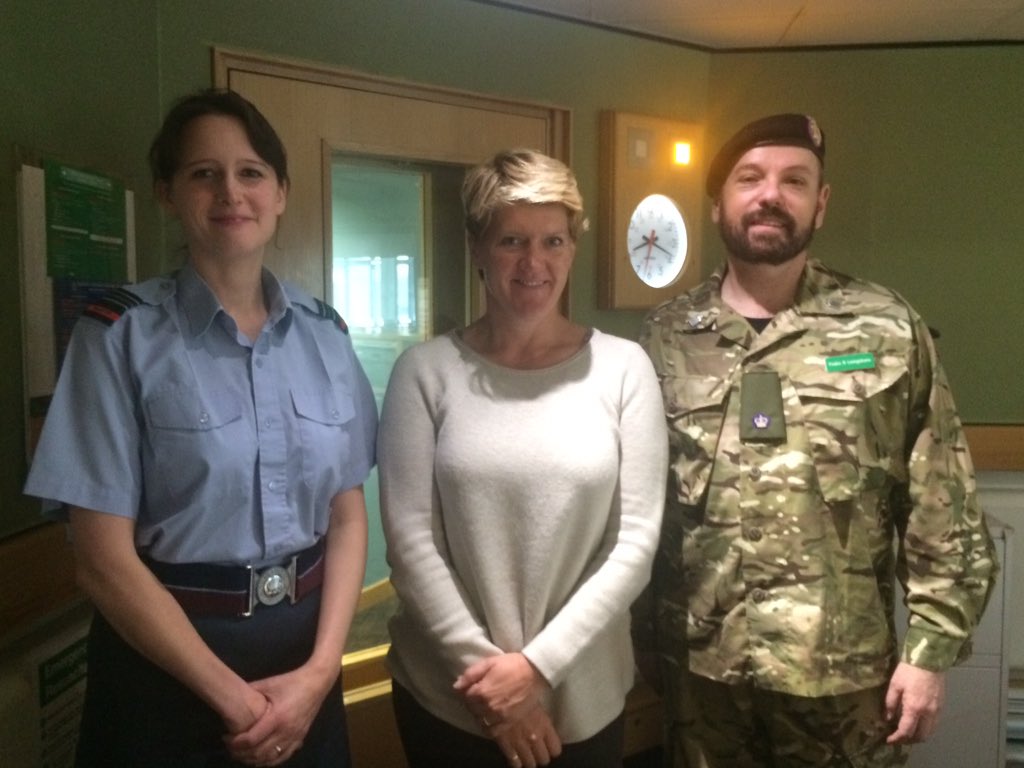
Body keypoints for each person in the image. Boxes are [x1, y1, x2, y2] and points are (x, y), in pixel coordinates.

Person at [23, 88, 377, 767]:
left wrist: (321, 671)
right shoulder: (117, 338)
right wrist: (236, 702)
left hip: (305, 661)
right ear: (168, 193)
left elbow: (348, 516)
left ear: (280, 192)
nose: (230, 192)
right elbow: (101, 561)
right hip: (167, 666)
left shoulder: (327, 336)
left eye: (251, 173)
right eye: (203, 173)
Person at [636, 113, 998, 767]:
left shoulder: (885, 329)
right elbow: (637, 511)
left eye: (794, 180)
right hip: (701, 677)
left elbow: (944, 503)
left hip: (843, 680)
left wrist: (931, 651)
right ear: (718, 201)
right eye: (750, 178)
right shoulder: (665, 338)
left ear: (820, 203)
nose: (770, 194)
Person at [377, 148, 668, 768]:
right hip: (451, 700)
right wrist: (498, 691)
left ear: (574, 247)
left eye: (553, 241)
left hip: (582, 699)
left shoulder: (623, 370)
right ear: (477, 247)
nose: (534, 262)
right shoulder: (424, 373)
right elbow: (409, 541)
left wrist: (537, 670)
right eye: (511, 239)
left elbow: (635, 542)